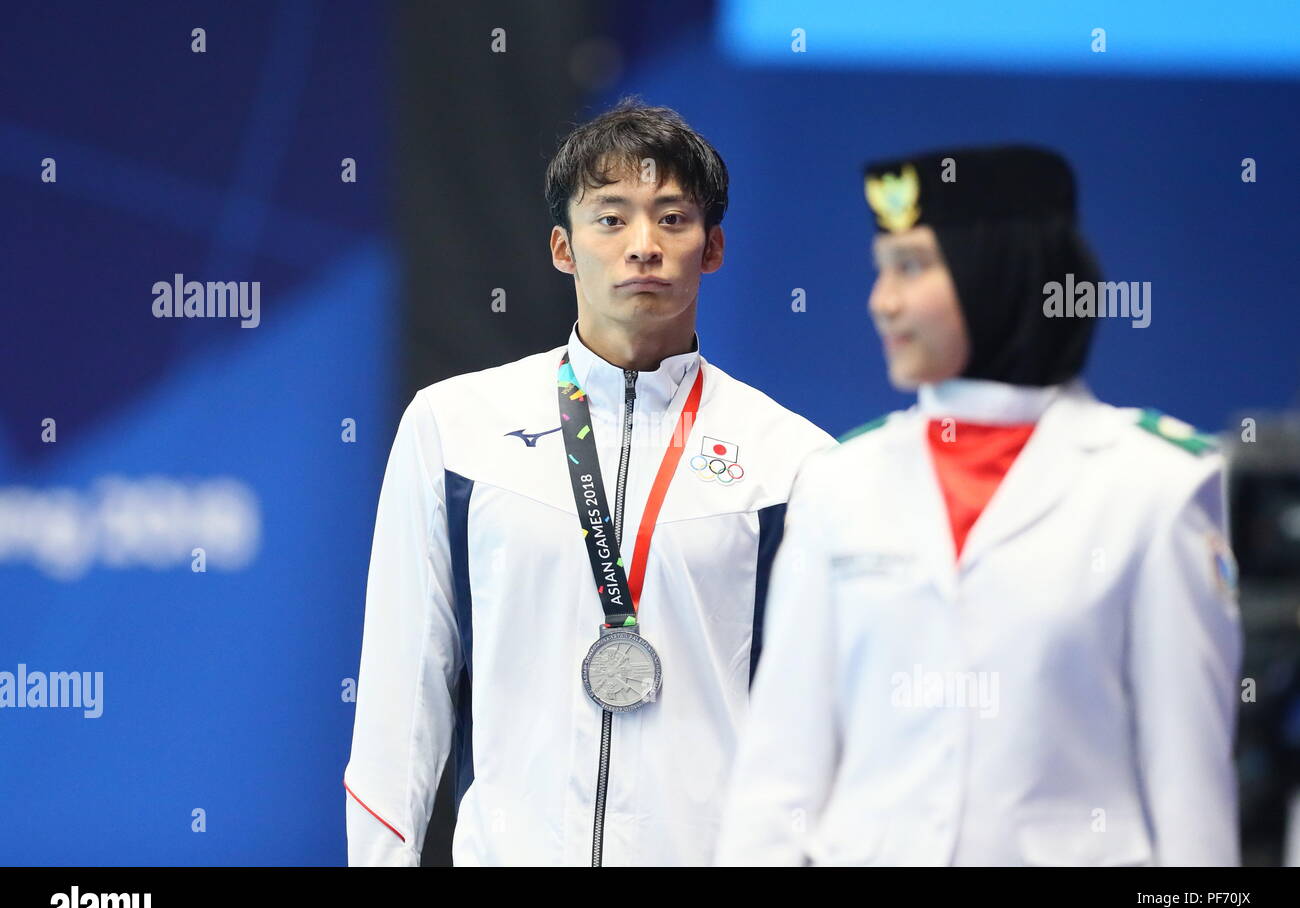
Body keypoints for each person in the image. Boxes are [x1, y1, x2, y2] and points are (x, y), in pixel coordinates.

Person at [715, 145, 1243, 866]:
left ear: (1001, 269)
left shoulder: (1154, 485)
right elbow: (780, 776)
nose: (882, 301)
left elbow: (1190, 796)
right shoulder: (840, 483)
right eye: (881, 267)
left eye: (912, 266)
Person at [344, 99, 835, 866]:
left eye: (673, 218)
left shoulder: (792, 461)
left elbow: (819, 726)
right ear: (562, 248)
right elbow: (400, 696)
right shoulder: (454, 429)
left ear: (712, 249)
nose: (643, 246)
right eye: (611, 218)